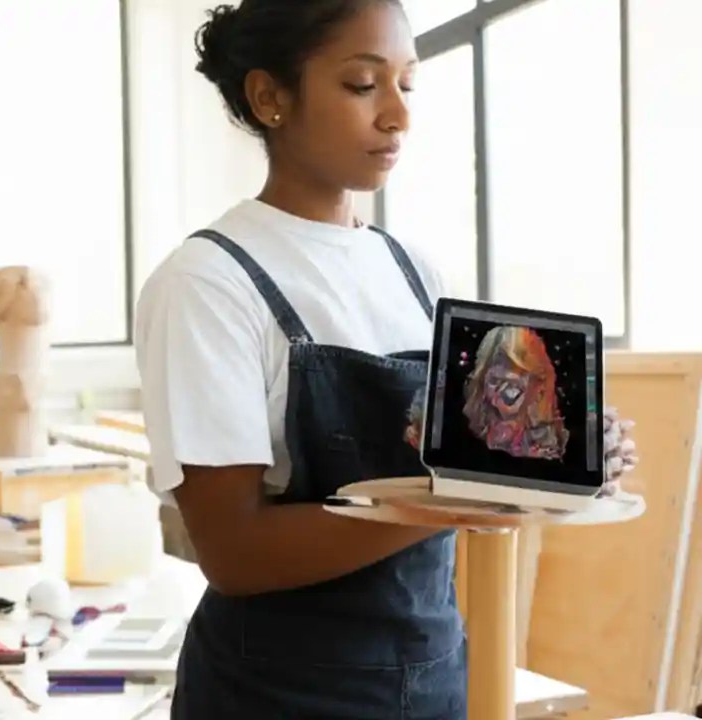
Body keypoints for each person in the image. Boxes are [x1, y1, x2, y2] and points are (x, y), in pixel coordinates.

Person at [132, 1, 638, 717]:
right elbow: (235, 552)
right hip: (277, 694)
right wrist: (478, 492)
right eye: (363, 85)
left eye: (407, 83)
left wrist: (560, 458)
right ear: (270, 96)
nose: (397, 114)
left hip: (431, 676)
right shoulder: (208, 282)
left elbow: (473, 452)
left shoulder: (415, 271)